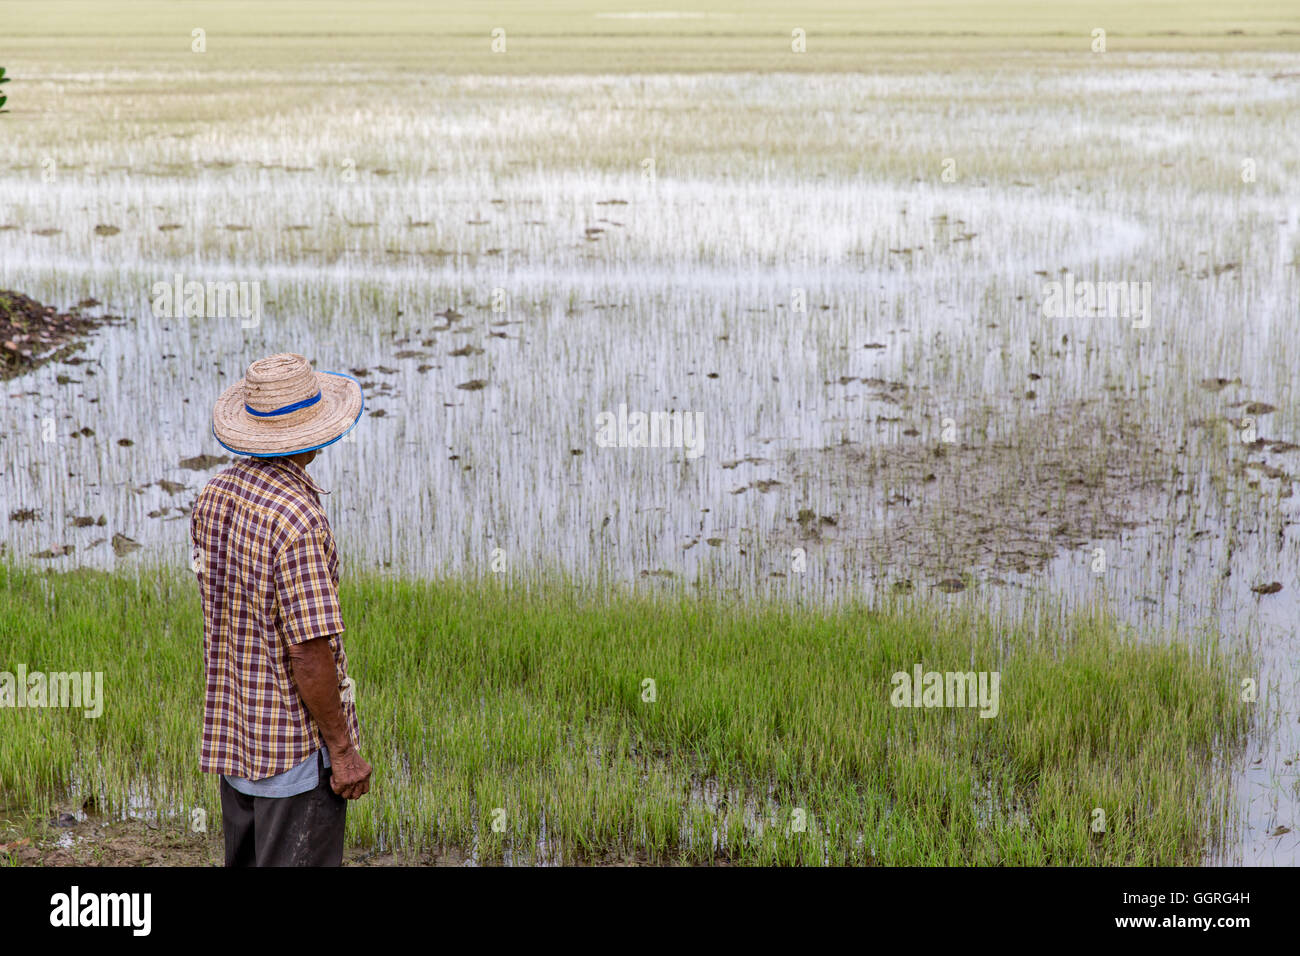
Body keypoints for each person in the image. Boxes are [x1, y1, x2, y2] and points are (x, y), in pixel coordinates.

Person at [189, 352, 372, 866]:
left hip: (237, 744)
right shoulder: (299, 521)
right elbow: (309, 653)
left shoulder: (213, 494)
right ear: (312, 434)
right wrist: (343, 752)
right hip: (292, 758)